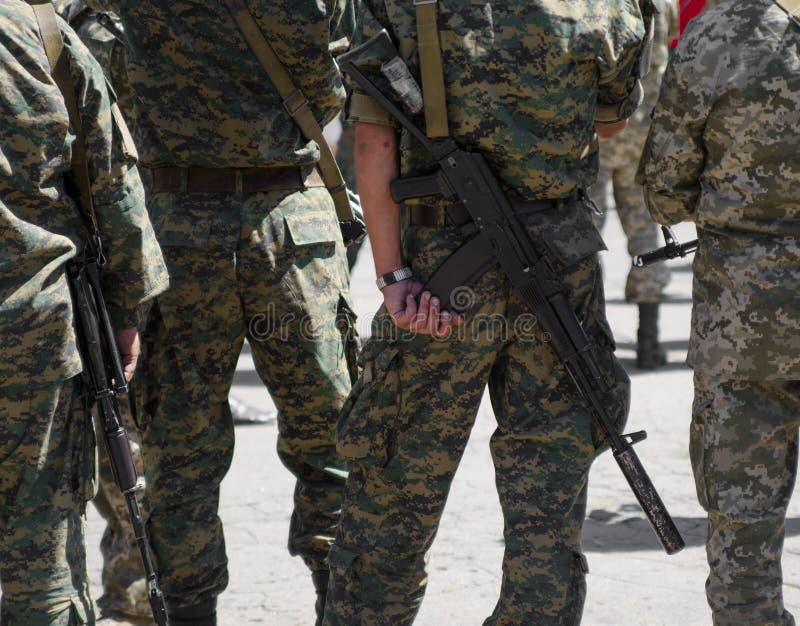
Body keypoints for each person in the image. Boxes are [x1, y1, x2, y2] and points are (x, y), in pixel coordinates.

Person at [324, 2, 648, 624]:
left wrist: (392, 274)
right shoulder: (606, 4)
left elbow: (373, 138)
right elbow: (609, 125)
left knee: (394, 492)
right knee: (547, 502)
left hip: (440, 276)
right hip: (559, 270)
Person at [84, 1, 359, 624]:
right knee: (331, 430)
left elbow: (107, 92)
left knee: (178, 441)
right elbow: (339, 86)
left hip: (176, 221)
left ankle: (189, 609)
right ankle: (340, 598)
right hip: (290, 218)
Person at [0, 1, 167, 623]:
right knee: (38, 544)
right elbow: (113, 177)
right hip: (31, 333)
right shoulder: (37, 31)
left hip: (33, 331)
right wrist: (126, 311)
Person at [638, 1, 800, 623]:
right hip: (740, 319)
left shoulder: (717, 32)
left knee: (743, 519)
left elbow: (665, 188)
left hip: (743, 318)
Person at [591, 0, 677, 370]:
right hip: (643, 133)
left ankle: (590, 337)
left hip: (598, 129)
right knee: (646, 235)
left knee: (585, 237)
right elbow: (669, 39)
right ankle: (648, 340)